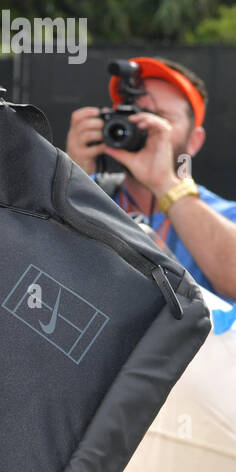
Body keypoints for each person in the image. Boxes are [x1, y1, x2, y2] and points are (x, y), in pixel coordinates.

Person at [65, 56, 236, 299]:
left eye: (162, 118)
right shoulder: (88, 195)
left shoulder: (224, 215)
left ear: (194, 141)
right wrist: (71, 178)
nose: (146, 126)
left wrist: (165, 184)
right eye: (138, 114)